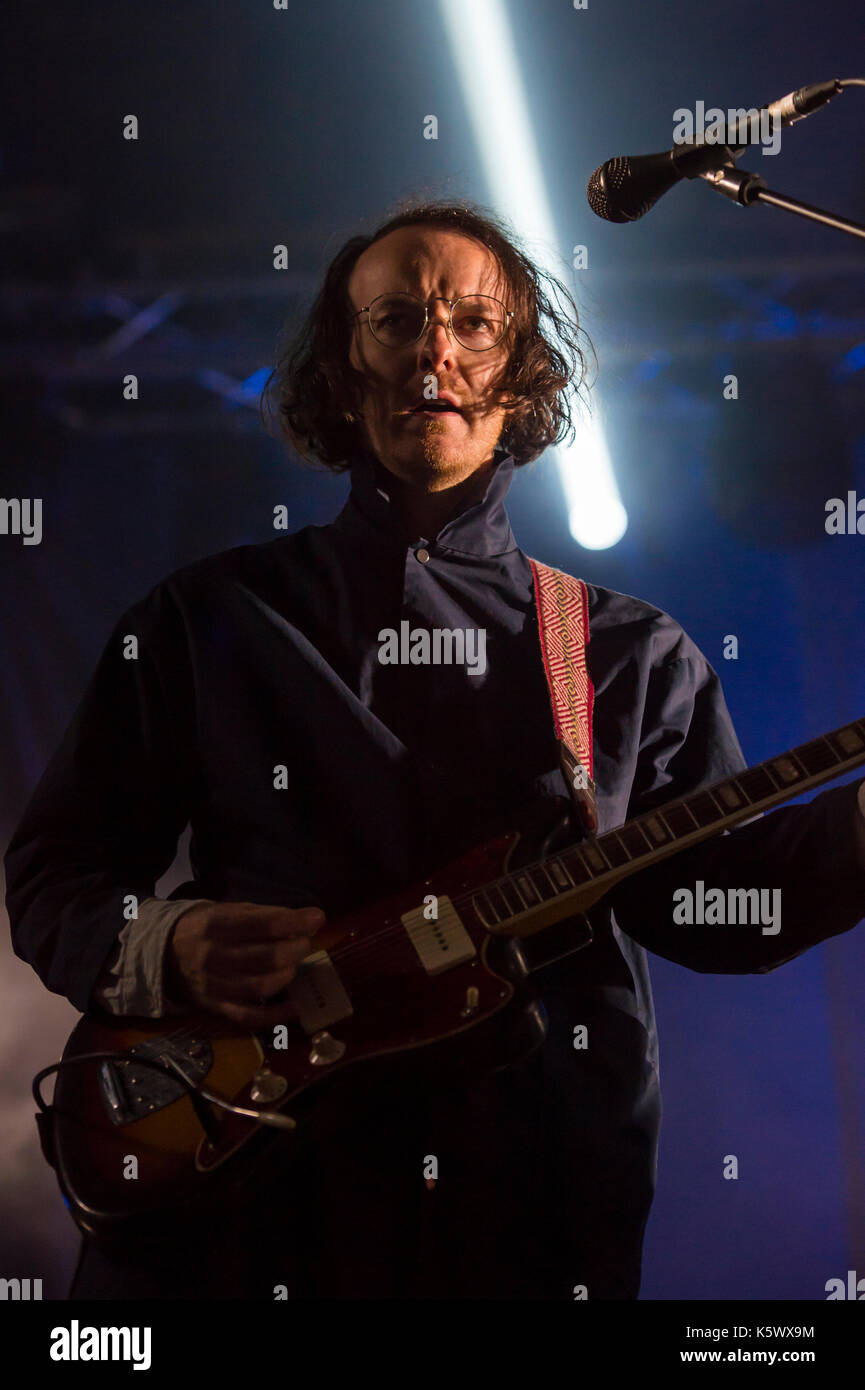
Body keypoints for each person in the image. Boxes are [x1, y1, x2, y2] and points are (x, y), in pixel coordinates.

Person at [6, 201, 865, 1301]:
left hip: (525, 1207)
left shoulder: (623, 653)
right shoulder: (206, 617)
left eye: (474, 323)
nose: (435, 351)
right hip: (246, 1198)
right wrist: (167, 943)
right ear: (342, 368)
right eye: (396, 320)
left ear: (519, 377)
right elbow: (53, 877)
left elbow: (718, 904)